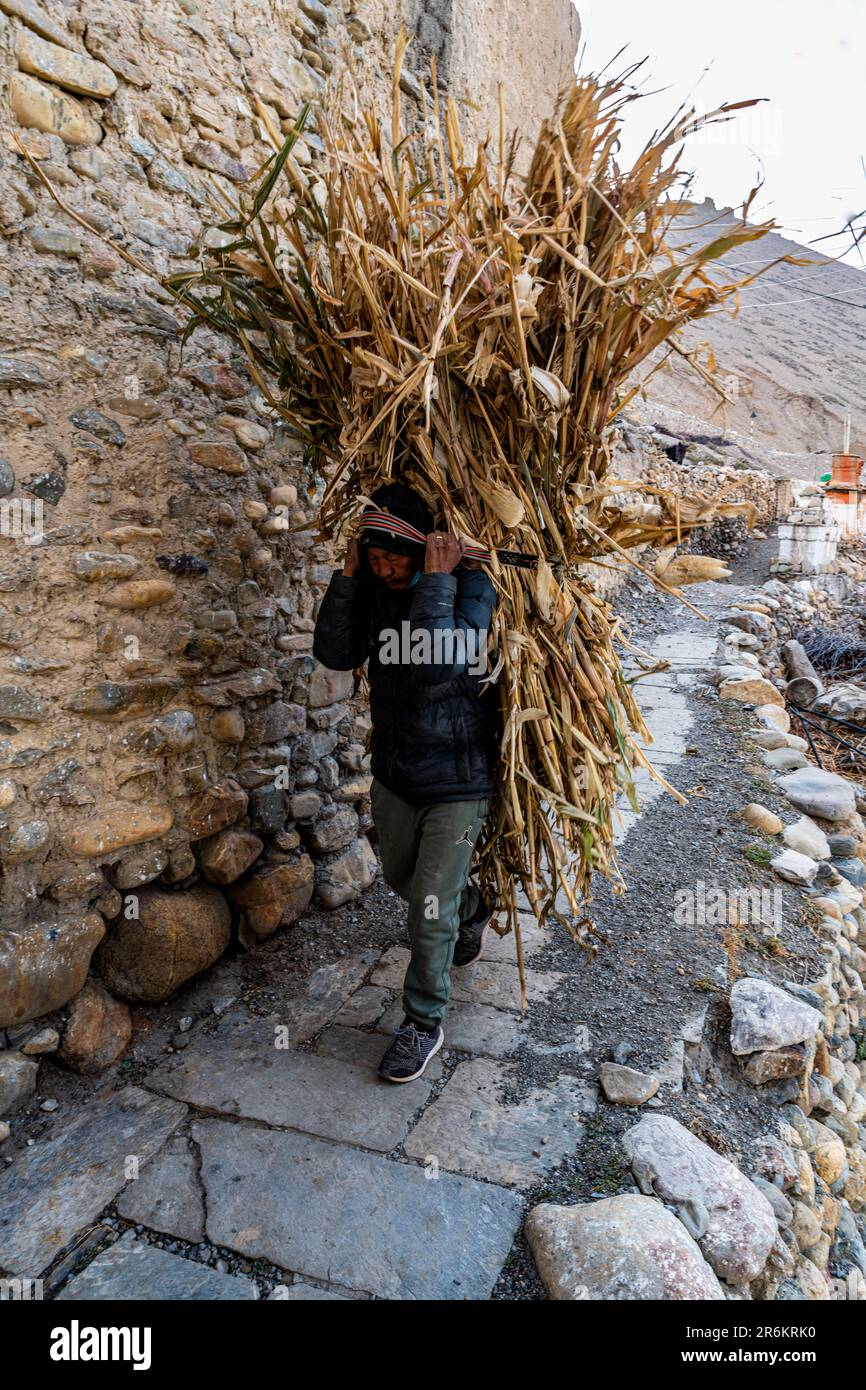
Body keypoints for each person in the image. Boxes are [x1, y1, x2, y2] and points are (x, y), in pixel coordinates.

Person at [313, 481, 501, 1082]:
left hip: (459, 774)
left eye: (395, 554)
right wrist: (347, 577)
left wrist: (441, 580)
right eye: (374, 554)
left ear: (424, 550)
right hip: (396, 768)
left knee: (426, 906)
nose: (385, 566)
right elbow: (336, 654)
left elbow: (439, 659)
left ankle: (423, 1019)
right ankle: (471, 910)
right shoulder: (371, 588)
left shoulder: (472, 585)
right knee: (402, 878)